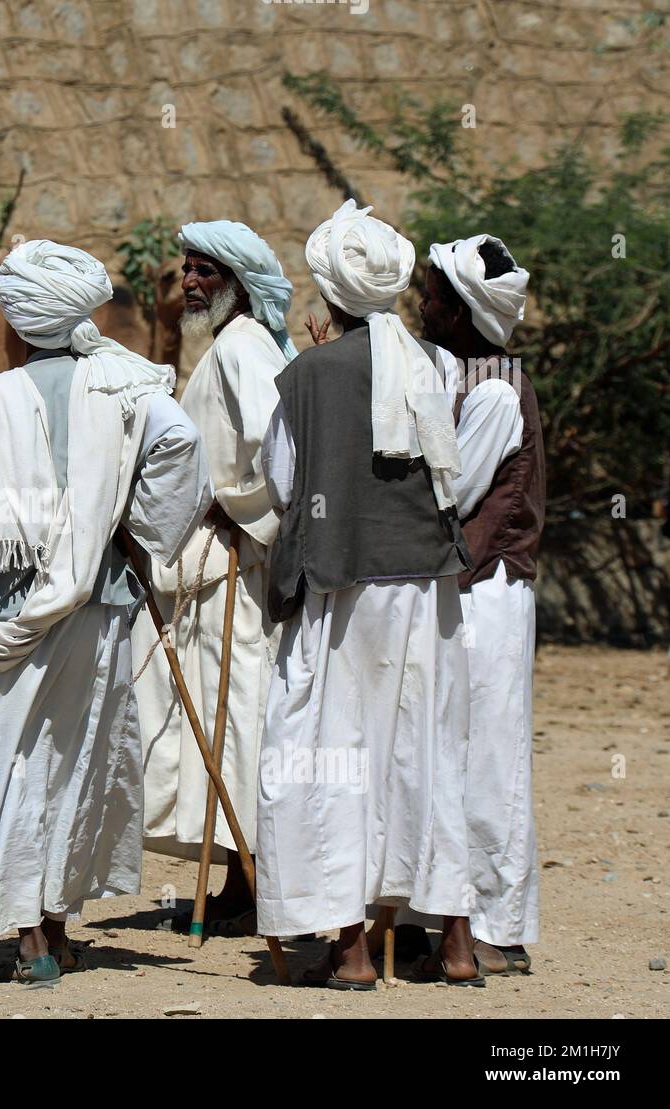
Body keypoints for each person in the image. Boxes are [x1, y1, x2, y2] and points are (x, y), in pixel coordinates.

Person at [0, 239, 211, 985]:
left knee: (7, 767)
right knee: (78, 763)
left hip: (3, 613)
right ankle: (61, 928)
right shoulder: (126, 390)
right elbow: (184, 446)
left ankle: (31, 936)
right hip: (99, 609)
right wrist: (137, 523)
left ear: (15, 316)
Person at [257, 199, 481, 989]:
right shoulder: (441, 365)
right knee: (426, 755)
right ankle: (455, 943)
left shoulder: (307, 374)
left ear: (328, 293)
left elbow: (283, 481)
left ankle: (351, 950)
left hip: (344, 595)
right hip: (427, 596)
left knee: (331, 757)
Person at [133, 221, 294, 933]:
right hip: (213, 564)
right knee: (221, 717)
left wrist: (239, 510)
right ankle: (238, 876)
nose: (191, 282)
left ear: (238, 282)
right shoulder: (232, 347)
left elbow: (276, 448)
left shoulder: (243, 349)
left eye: (206, 271)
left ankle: (254, 881)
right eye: (188, 269)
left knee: (238, 716)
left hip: (235, 565)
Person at [421, 234, 542, 975]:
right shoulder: (466, 374)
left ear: (463, 312)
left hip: (489, 596)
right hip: (472, 594)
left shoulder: (495, 392)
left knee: (490, 760)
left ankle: (498, 926)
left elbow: (451, 497)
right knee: (451, 756)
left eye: (434, 296)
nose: (424, 306)